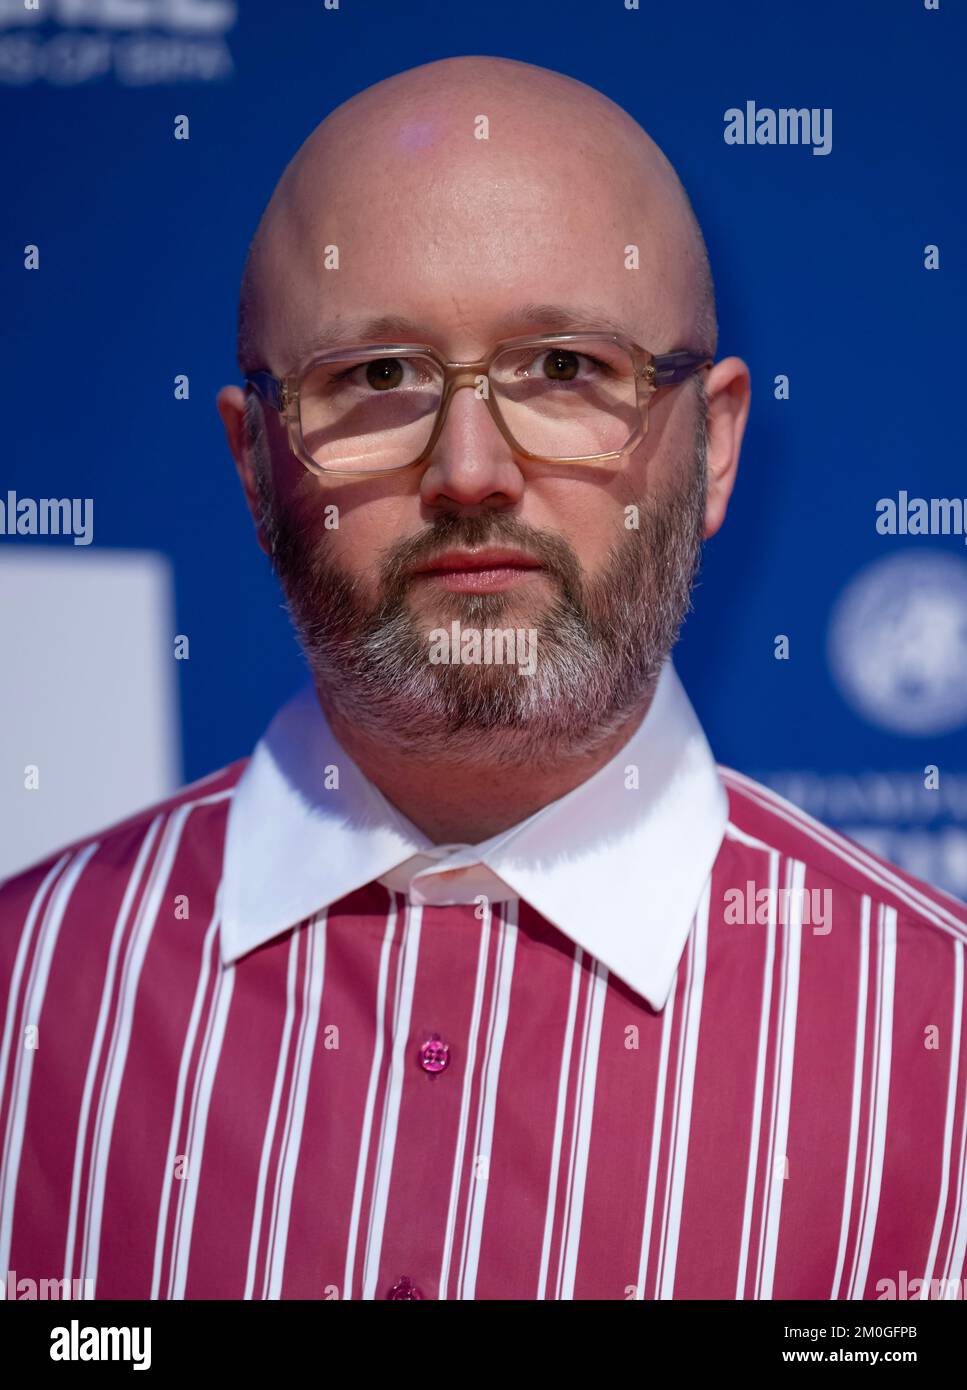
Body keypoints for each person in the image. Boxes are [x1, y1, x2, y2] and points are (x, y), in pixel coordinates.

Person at [1, 55, 965, 1303]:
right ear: (253, 470)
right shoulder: (25, 1008)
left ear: (714, 448)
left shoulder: (938, 1059)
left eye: (564, 369)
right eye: (376, 378)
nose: (470, 471)